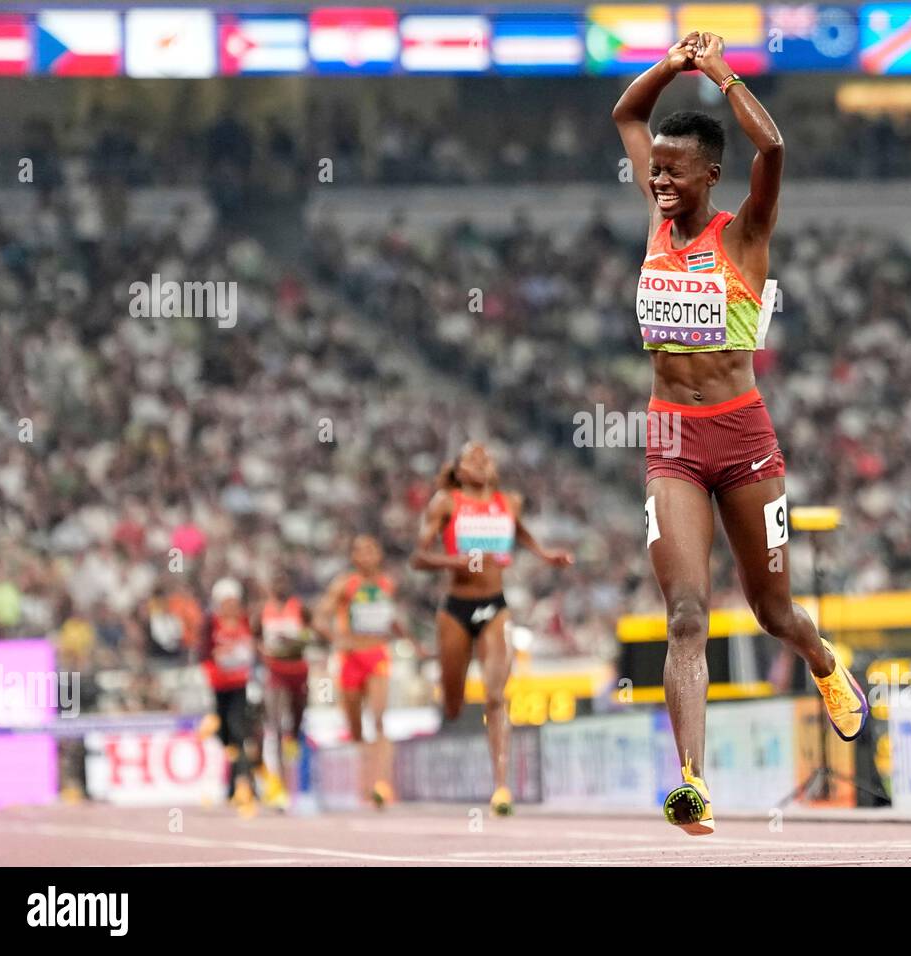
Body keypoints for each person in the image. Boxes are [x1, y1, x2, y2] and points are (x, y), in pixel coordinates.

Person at [612, 31, 868, 835]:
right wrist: (673, 63)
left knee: (773, 612)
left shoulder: (745, 233)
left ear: (709, 177)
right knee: (686, 613)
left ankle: (825, 664)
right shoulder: (654, 222)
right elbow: (628, 109)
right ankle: (692, 781)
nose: (657, 179)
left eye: (673, 171)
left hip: (745, 437)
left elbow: (774, 143)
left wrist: (720, 73)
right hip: (672, 442)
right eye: (653, 168)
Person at [413, 441, 573, 816]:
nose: (481, 461)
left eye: (486, 456)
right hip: (455, 609)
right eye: (472, 456)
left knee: (496, 695)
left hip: (495, 606)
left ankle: (501, 786)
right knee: (452, 702)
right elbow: (418, 557)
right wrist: (458, 561)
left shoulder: (509, 501)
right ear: (458, 468)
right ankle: (451, 705)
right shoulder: (445, 502)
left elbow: (520, 533)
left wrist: (544, 554)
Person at [316, 535, 410, 808]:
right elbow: (321, 616)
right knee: (355, 724)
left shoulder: (388, 584)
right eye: (360, 551)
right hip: (350, 657)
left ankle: (381, 784)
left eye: (371, 550)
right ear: (354, 557)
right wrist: (336, 638)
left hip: (377, 653)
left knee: (379, 718)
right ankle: (364, 781)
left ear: (379, 555)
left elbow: (392, 618)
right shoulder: (345, 584)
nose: (366, 556)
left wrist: (411, 641)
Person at [254, 569, 314, 811]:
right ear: (270, 587)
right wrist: (264, 650)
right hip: (275, 672)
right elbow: (255, 638)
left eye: (284, 582)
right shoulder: (262, 612)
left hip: (298, 670)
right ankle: (279, 786)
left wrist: (295, 640)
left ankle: (294, 738)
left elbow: (310, 634)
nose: (280, 587)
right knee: (276, 724)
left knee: (297, 717)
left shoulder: (301, 608)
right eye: (276, 582)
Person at [199, 577, 258, 814]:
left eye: (234, 602)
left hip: (240, 685)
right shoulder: (212, 624)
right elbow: (204, 653)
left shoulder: (246, 621)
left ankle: (243, 786)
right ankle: (233, 786)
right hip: (218, 686)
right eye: (226, 602)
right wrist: (220, 659)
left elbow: (255, 647)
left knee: (237, 732)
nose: (231, 607)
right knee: (225, 736)